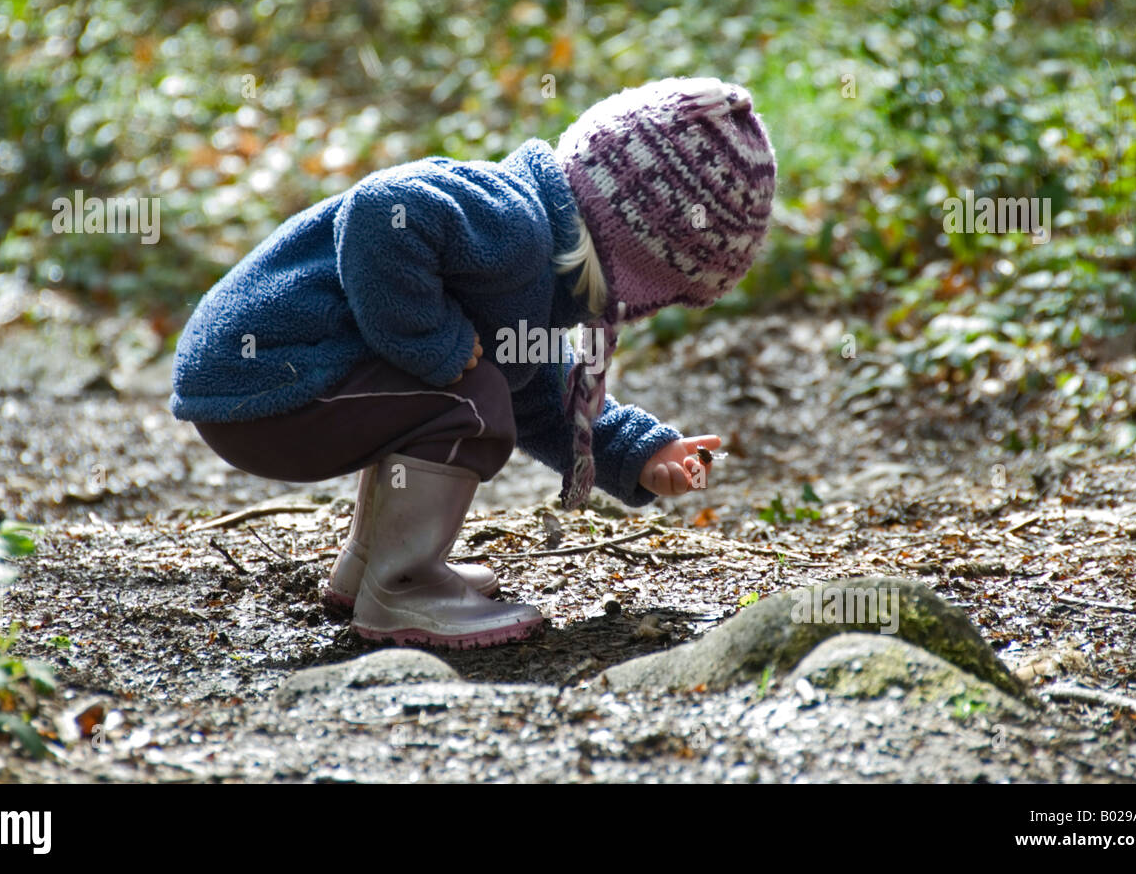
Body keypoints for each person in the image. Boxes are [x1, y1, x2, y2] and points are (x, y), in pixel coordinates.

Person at [170, 76, 776, 649]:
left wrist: (643, 453)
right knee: (469, 391)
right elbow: (381, 208)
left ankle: (371, 568)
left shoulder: (528, 274)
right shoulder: (510, 223)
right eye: (653, 297)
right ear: (630, 260)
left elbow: (545, 395)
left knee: (464, 386)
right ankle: (404, 588)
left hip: (271, 387)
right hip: (267, 379)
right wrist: (438, 346)